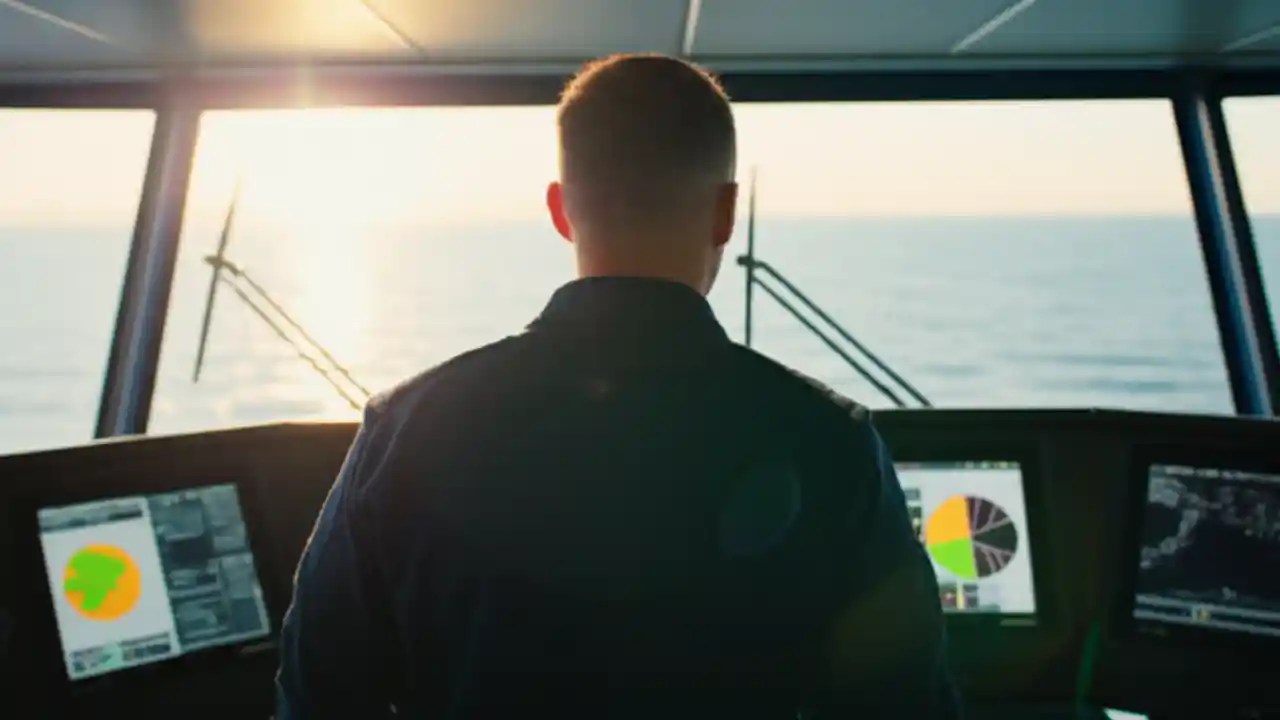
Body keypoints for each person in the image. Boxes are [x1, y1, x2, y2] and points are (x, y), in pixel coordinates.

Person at [276, 53, 958, 719]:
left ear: (561, 210)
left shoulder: (406, 431)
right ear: (725, 214)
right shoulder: (832, 445)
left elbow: (318, 696)